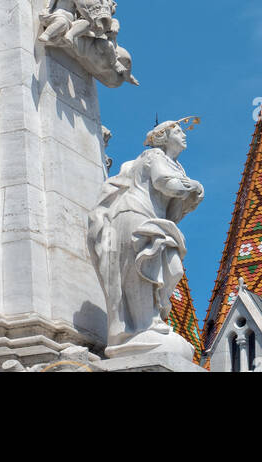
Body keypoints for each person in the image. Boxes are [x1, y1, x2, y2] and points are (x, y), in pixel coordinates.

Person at [87, 121, 203, 352]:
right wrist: (194, 187)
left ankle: (153, 317)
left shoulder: (176, 165)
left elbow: (178, 198)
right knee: (140, 269)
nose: (184, 134)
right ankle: (142, 325)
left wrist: (192, 188)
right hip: (134, 215)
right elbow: (165, 183)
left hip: (155, 219)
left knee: (174, 269)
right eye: (178, 131)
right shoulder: (153, 156)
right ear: (164, 136)